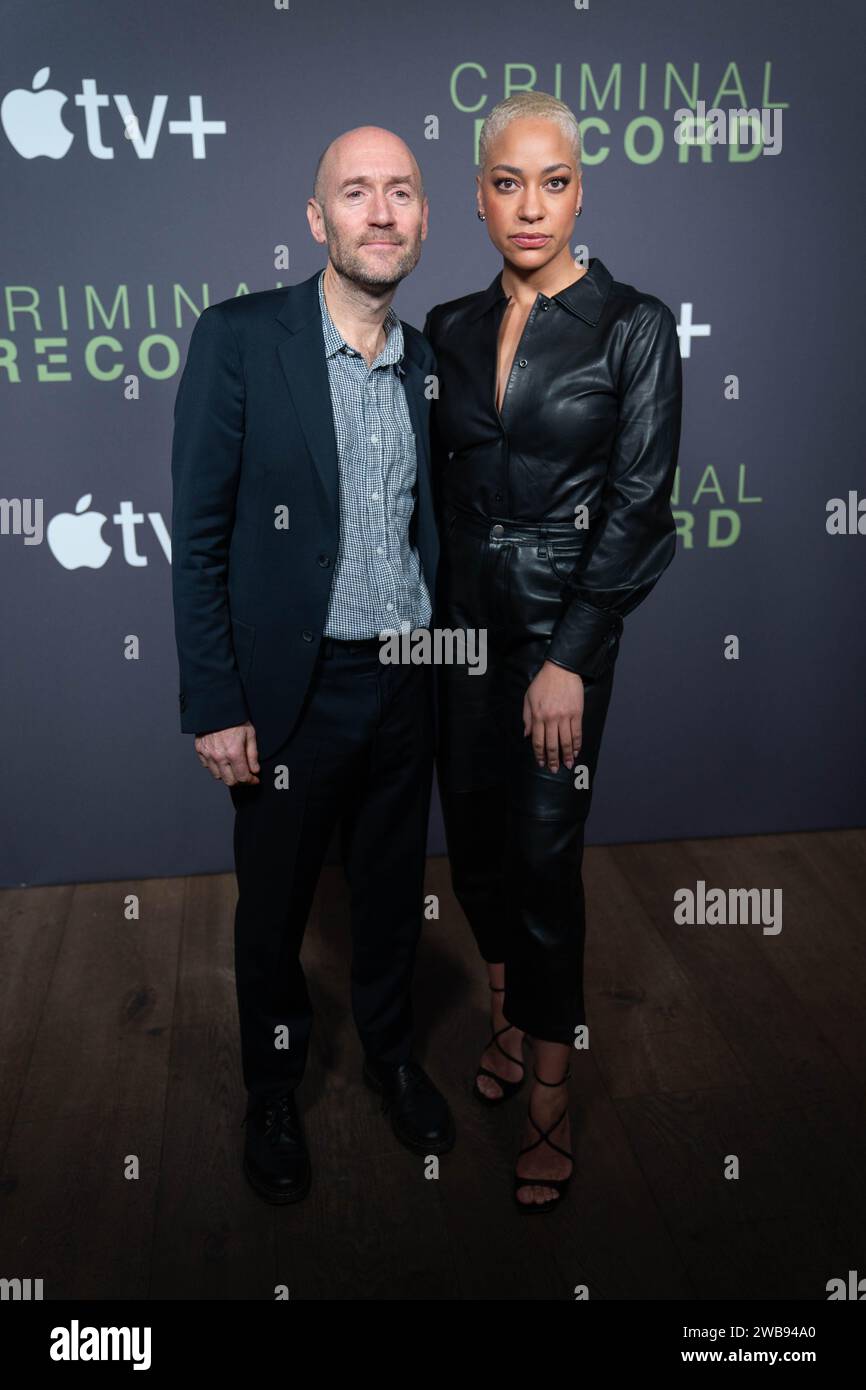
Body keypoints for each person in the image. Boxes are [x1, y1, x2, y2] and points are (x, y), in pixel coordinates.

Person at [171, 126, 454, 1205]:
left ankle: (389, 1058)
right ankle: (274, 1092)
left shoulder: (425, 360)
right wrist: (215, 701)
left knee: (390, 900)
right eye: (355, 193)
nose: (379, 213)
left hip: (406, 680)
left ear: (424, 219)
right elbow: (196, 535)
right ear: (316, 218)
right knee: (275, 912)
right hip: (293, 694)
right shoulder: (242, 340)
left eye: (399, 193)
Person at [423, 91, 682, 1213]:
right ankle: (508, 1018)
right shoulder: (446, 326)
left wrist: (570, 655)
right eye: (507, 182)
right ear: (478, 194)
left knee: (543, 862)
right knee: (474, 851)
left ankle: (546, 1093)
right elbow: (428, 494)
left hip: (557, 636)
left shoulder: (634, 325)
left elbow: (639, 510)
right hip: (456, 630)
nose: (531, 205)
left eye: (554, 180)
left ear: (582, 187)